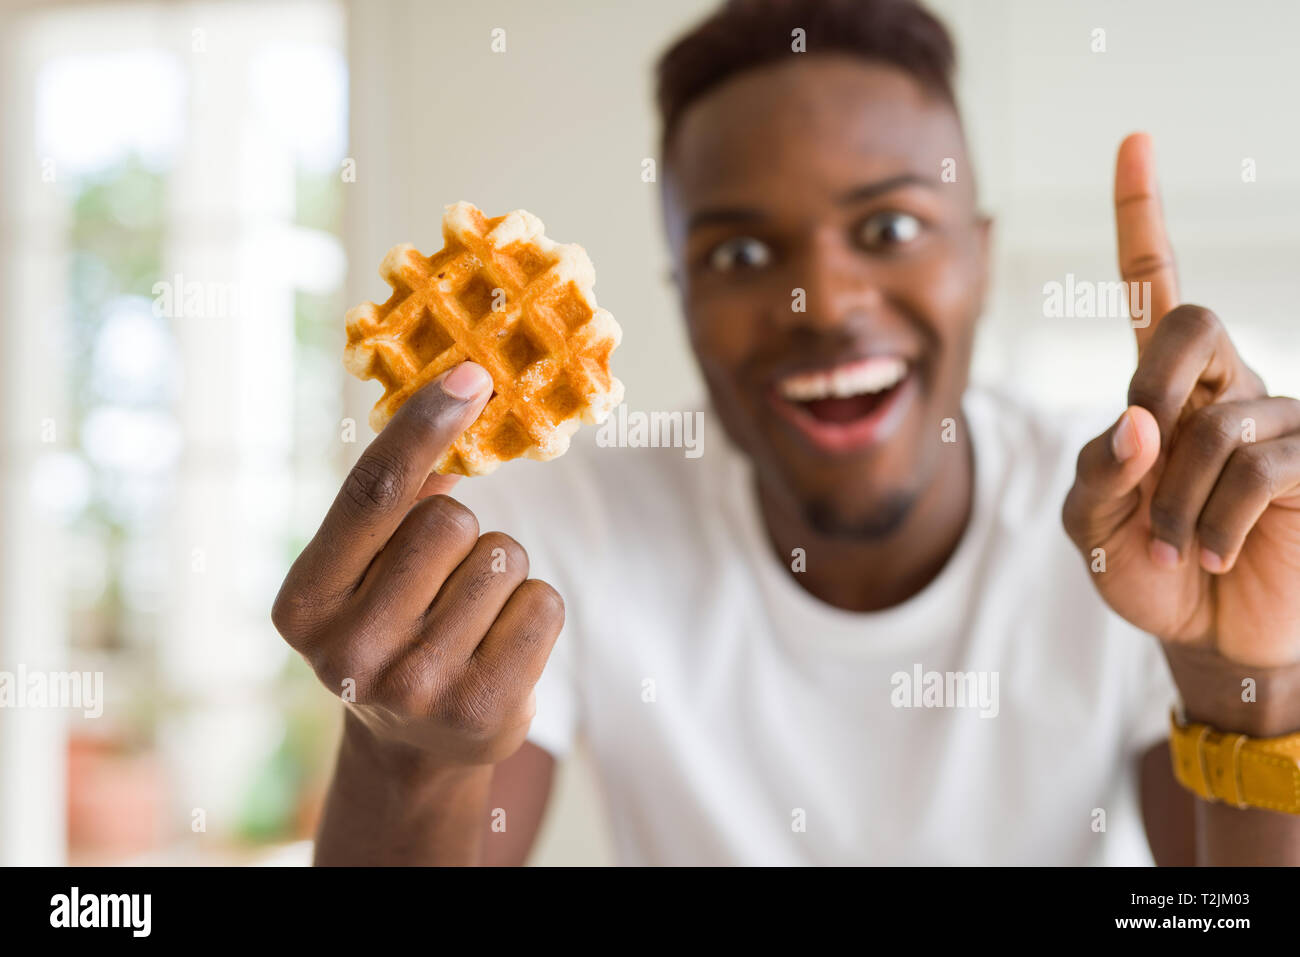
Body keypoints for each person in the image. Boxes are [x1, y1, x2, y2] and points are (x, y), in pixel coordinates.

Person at [271, 0, 1300, 865]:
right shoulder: (559, 529)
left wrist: (1254, 686)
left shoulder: (1141, 525)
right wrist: (406, 754)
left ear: (979, 259)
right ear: (677, 298)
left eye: (889, 228)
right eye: (741, 251)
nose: (820, 301)